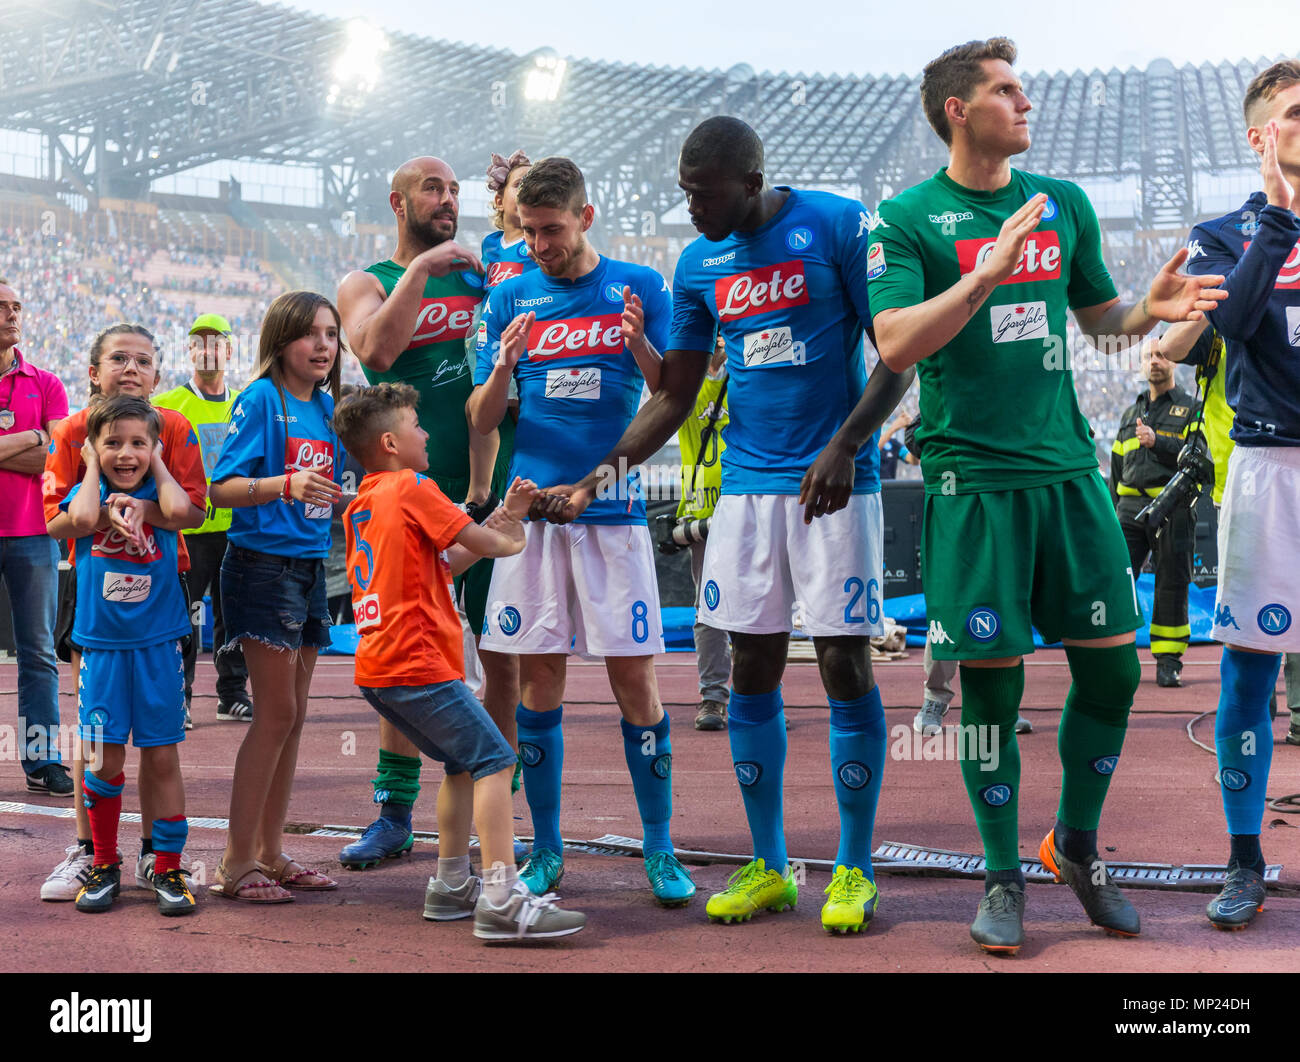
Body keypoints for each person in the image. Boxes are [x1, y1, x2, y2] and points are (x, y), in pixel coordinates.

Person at [868, 37, 1225, 952]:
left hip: (1067, 472)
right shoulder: (906, 218)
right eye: (1005, 90)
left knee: (1111, 667)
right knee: (991, 689)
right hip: (975, 480)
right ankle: (999, 876)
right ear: (958, 108)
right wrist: (983, 275)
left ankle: (1073, 844)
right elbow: (898, 342)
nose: (1025, 104)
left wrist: (1152, 309)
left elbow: (1102, 321)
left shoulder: (1060, 205)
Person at [525, 123, 915, 934]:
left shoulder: (838, 223)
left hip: (836, 485)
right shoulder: (699, 265)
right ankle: (770, 864)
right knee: (751, 666)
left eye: (703, 190)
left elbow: (897, 353)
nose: (690, 204)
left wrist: (848, 444)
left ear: (752, 180)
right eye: (684, 188)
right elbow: (673, 396)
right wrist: (599, 479)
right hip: (744, 492)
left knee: (844, 663)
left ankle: (853, 868)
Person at [468, 155, 696, 907]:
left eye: (552, 230)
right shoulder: (511, 298)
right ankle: (547, 847)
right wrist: (503, 371)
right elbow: (482, 418)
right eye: (529, 232)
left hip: (614, 509)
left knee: (635, 678)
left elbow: (672, 397)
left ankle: (659, 848)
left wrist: (636, 345)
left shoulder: (642, 286)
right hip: (531, 517)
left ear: (586, 218)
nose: (540, 245)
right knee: (540, 680)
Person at [335, 383, 585, 940]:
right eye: (415, 424)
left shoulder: (366, 502)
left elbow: (448, 560)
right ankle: (502, 897)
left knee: (460, 765)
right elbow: (491, 547)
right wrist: (515, 529)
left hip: (380, 668)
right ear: (390, 442)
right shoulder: (415, 487)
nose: (426, 433)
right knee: (495, 761)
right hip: (418, 662)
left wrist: (502, 513)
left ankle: (451, 885)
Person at [337, 157, 521, 869]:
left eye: (453, 190)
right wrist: (423, 270)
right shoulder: (369, 283)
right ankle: (393, 813)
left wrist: (513, 189)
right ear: (399, 202)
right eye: (432, 190)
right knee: (416, 661)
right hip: (405, 496)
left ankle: (489, 800)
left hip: (486, 482)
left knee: (501, 650)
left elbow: (533, 240)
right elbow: (376, 347)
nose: (447, 201)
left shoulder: (479, 274)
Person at [1164, 59, 1300, 929]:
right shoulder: (1225, 234)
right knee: (1249, 677)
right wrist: (1279, 220)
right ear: (1261, 135)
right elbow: (1234, 323)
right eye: (1296, 113)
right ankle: (1244, 859)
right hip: (1268, 472)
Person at [39, 324, 207, 902]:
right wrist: (93, 469)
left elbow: (189, 511)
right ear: (94, 371)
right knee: (101, 752)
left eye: (143, 360)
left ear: (157, 374)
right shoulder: (75, 436)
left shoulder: (172, 433)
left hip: (159, 630)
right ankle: (97, 858)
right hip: (100, 632)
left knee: (161, 752)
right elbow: (69, 520)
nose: (131, 368)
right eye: (119, 358)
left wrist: (146, 495)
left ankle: (164, 864)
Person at [207, 291, 346, 903]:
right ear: (280, 340)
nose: (323, 345)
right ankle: (236, 862)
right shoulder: (261, 399)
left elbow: (331, 492)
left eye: (332, 334)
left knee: (292, 718)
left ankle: (269, 851)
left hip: (310, 568)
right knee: (277, 715)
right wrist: (285, 484)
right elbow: (221, 488)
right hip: (261, 569)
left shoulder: (327, 406)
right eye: (310, 334)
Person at [153, 313, 253, 722]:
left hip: (237, 529)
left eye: (217, 341)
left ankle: (232, 693)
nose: (208, 349)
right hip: (187, 530)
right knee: (183, 617)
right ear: (189, 350)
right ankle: (181, 696)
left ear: (229, 350)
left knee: (235, 616)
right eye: (199, 342)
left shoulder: (245, 403)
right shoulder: (166, 406)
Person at [0, 278, 71, 797]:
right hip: (27, 537)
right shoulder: (41, 401)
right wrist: (28, 437)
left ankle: (42, 760)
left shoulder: (46, 383)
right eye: (1, 307)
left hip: (34, 533)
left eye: (16, 306)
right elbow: (40, 448)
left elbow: (57, 457)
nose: (12, 315)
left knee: (39, 653)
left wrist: (38, 446)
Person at [1110, 340, 1204, 688]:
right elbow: (1118, 468)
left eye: (1161, 355)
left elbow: (1197, 457)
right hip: (1129, 510)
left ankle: (1168, 661)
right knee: (1114, 581)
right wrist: (1112, 510)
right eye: (1149, 356)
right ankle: (1111, 654)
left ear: (1174, 362)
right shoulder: (1128, 413)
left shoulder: (1191, 408)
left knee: (1171, 584)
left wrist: (1157, 441)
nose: (1154, 361)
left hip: (1172, 508)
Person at [675, 335, 731, 731]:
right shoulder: (686, 383)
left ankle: (760, 692)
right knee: (707, 608)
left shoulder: (748, 376)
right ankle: (713, 696)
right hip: (703, 510)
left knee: (761, 603)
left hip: (750, 503)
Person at [481, 150, 537, 291]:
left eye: (535, 185)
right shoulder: (489, 243)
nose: (529, 190)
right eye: (520, 184)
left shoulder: (540, 244)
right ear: (499, 202)